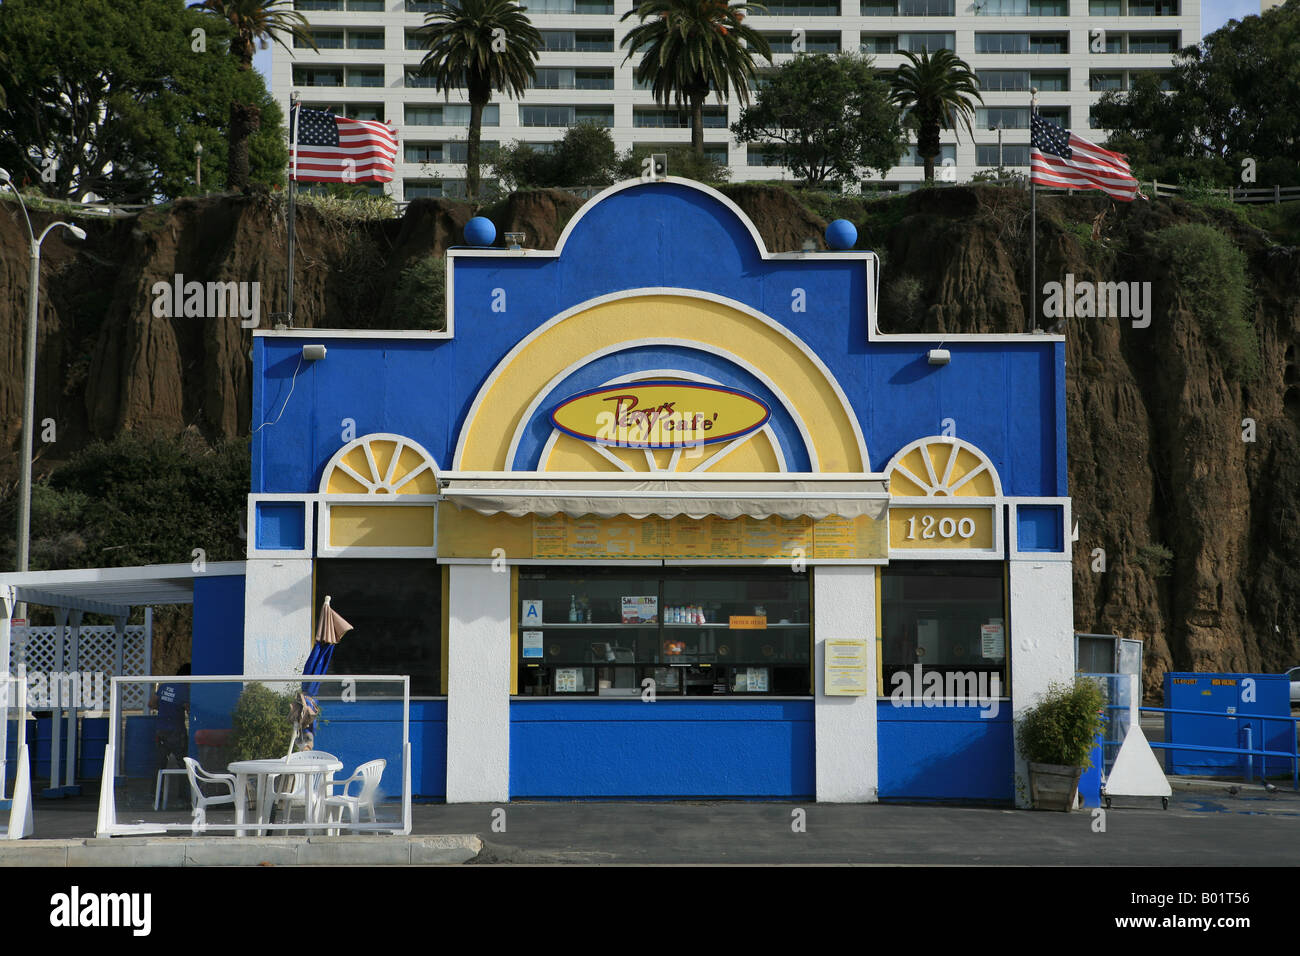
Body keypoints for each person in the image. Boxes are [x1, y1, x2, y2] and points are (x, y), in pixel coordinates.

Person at [150, 663, 190, 774]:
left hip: (161, 730)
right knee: (184, 764)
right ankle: (184, 791)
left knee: (159, 765)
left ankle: (156, 790)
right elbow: (189, 710)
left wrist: (165, 708)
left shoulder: (164, 686)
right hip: (177, 731)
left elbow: (151, 703)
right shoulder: (184, 690)